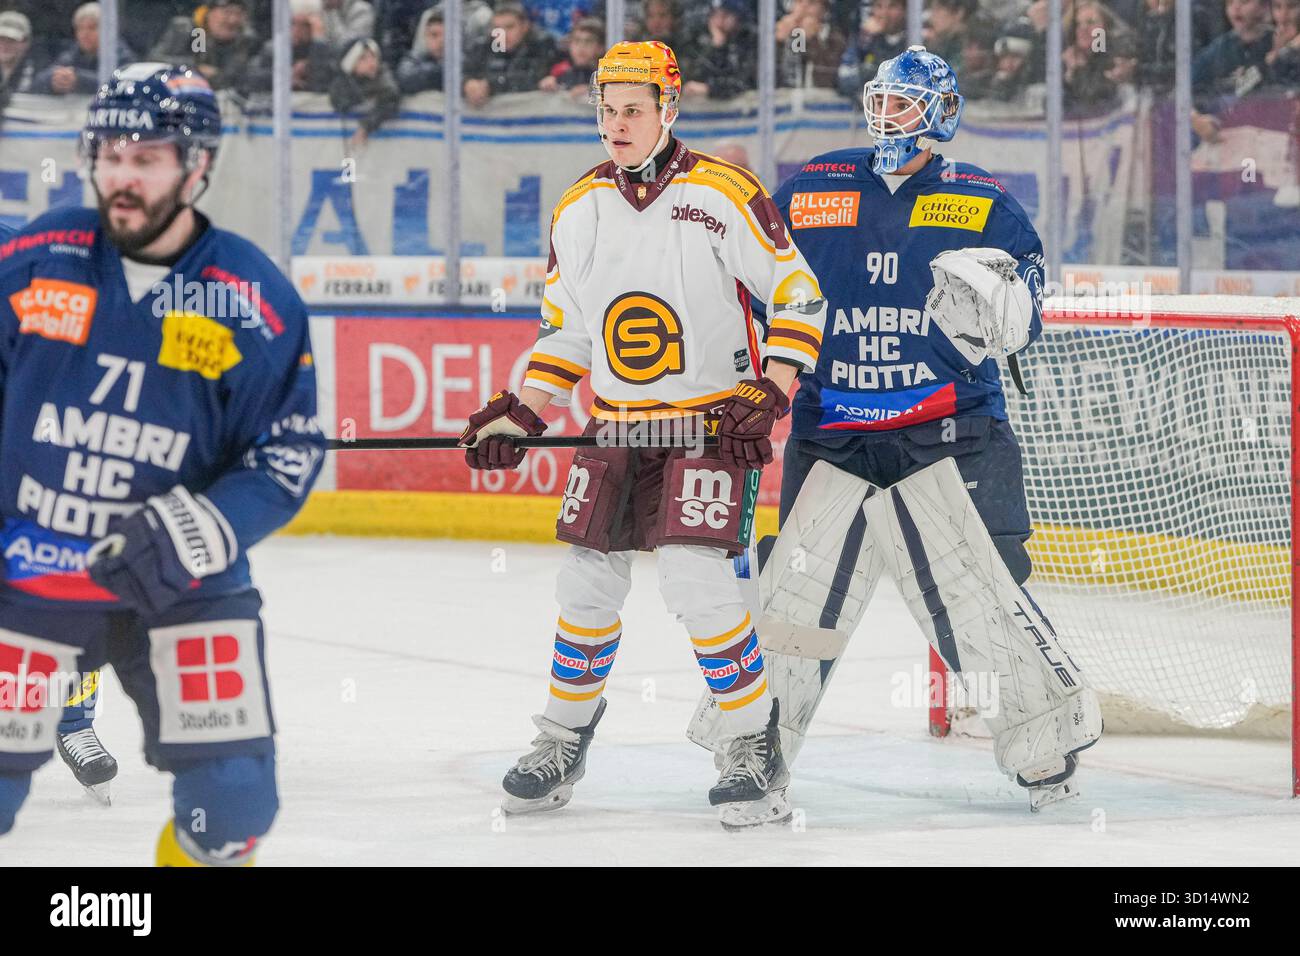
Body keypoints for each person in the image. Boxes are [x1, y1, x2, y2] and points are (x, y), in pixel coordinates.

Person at [459, 41, 828, 830]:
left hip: (708, 426)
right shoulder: (578, 208)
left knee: (698, 579)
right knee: (586, 580)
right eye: (606, 109)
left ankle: (750, 747)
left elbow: (799, 295)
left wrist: (775, 386)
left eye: (633, 109)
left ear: (670, 109)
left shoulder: (724, 194)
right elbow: (567, 336)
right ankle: (562, 738)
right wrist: (523, 412)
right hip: (619, 424)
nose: (617, 123)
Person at [734, 46, 1102, 809]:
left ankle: (1041, 745)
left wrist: (1008, 307)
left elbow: (1026, 313)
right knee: (797, 602)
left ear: (942, 113)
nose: (887, 115)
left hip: (953, 430)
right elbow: (754, 273)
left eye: (904, 103)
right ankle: (757, 749)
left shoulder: (983, 199)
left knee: (985, 592)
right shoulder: (813, 186)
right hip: (833, 429)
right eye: (882, 100)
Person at [0, 63, 325, 863]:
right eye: (109, 154)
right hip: (34, 568)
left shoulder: (252, 297)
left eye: (146, 157)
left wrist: (200, 527)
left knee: (234, 803)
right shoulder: (35, 258)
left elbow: (285, 452)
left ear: (198, 164)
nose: (121, 175)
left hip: (183, 586)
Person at [32, 3, 135, 97]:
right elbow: (37, 83)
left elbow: (120, 86)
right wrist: (52, 81)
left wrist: (79, 80)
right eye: (80, 28)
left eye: (92, 28)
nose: (84, 34)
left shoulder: (122, 56)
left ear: (108, 29)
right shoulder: (72, 54)